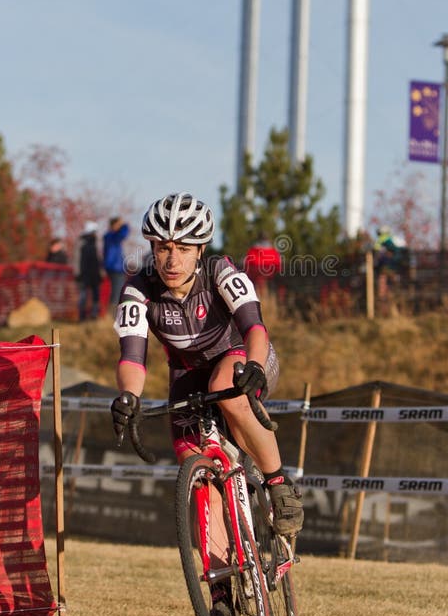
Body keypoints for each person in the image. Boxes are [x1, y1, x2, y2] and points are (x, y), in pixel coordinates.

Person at [110, 192, 303, 558]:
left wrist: (255, 367)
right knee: (199, 479)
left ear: (200, 249)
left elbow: (255, 328)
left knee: (224, 386)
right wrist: (129, 396)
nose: (172, 260)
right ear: (152, 247)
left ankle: (279, 484)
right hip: (186, 374)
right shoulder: (138, 289)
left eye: (183, 248)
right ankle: (220, 581)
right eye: (163, 248)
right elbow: (133, 357)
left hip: (242, 357)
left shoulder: (220, 272)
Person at [76, 221, 102, 321]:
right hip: (84, 274)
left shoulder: (96, 243)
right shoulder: (81, 242)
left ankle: (94, 315)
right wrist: (77, 273)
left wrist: (101, 272)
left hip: (94, 273)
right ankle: (82, 316)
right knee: (83, 295)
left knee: (96, 295)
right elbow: (77, 258)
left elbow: (99, 258)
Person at [103, 216, 130, 310]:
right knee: (118, 291)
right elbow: (124, 234)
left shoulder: (109, 236)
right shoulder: (113, 236)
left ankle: (113, 313)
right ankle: (113, 314)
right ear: (114, 225)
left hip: (114, 267)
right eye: (119, 225)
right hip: (116, 267)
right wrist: (125, 225)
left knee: (116, 291)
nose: (120, 227)